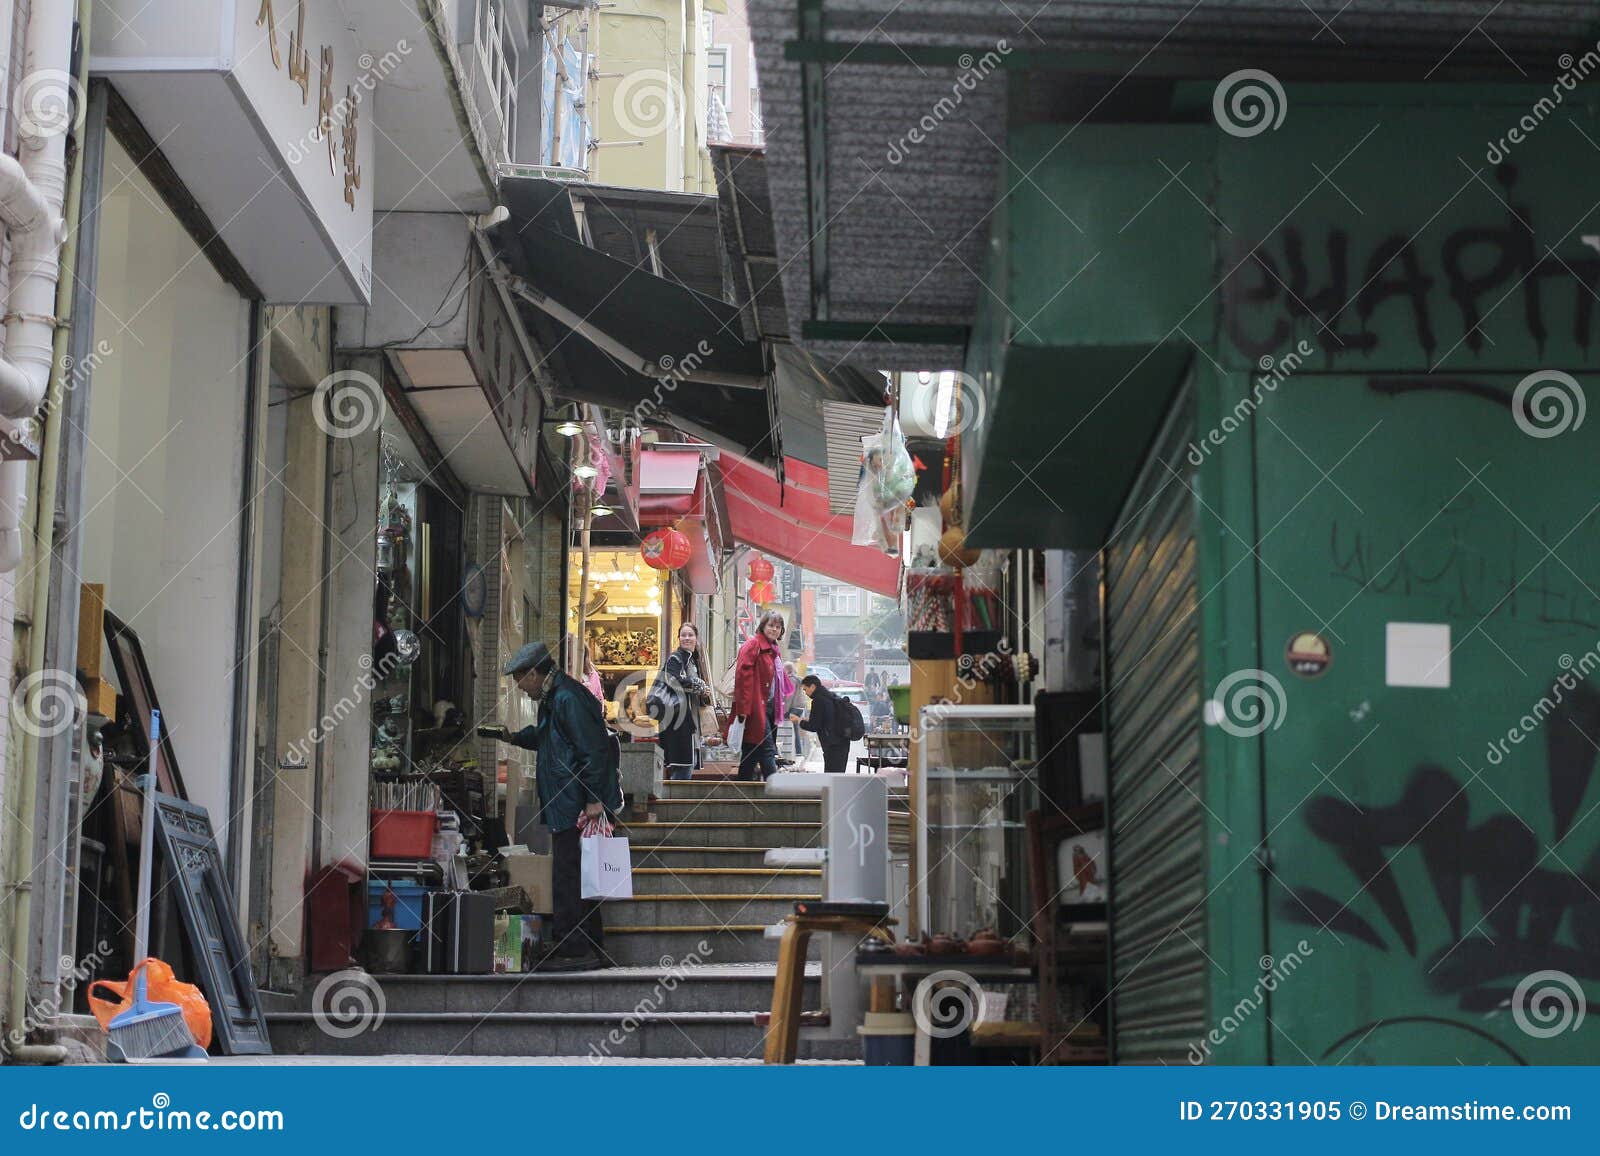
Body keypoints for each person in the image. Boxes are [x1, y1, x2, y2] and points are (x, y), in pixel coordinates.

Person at [483, 640, 621, 971]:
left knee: (568, 874)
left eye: (519, 677)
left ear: (534, 673)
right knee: (579, 874)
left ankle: (573, 947)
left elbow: (594, 749)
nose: (518, 685)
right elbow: (547, 737)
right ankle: (589, 944)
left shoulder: (566, 698)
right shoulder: (555, 697)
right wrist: (513, 737)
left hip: (574, 802)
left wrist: (593, 799)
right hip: (568, 800)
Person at [730, 610, 784, 781]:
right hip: (754, 708)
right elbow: (742, 677)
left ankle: (742, 792)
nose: (774, 629)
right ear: (763, 626)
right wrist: (743, 709)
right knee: (768, 749)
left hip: (768, 708)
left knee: (751, 751)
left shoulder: (773, 650)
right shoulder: (754, 645)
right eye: (771, 625)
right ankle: (776, 792)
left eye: (778, 627)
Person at [658, 622, 712, 781]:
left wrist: (703, 691)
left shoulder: (692, 661)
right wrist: (698, 685)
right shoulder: (676, 658)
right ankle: (671, 803)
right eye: (683, 635)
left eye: (690, 635)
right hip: (678, 719)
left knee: (687, 764)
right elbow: (673, 679)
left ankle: (672, 802)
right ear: (679, 638)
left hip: (689, 719)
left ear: (696, 638)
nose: (687, 638)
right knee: (682, 766)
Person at [791, 675, 852, 774]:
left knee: (831, 776)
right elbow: (825, 719)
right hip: (842, 742)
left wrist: (799, 721)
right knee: (838, 776)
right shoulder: (830, 696)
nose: (805, 693)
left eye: (805, 689)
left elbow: (814, 726)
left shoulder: (818, 700)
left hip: (832, 745)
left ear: (812, 686)